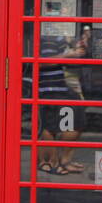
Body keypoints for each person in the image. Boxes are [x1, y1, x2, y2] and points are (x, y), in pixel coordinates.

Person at [36, 26, 90, 175]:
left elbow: (71, 61)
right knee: (50, 127)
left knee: (73, 123)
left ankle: (62, 161)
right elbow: (41, 62)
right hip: (49, 89)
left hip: (63, 88)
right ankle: (51, 163)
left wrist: (79, 50)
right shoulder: (46, 38)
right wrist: (69, 55)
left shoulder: (60, 38)